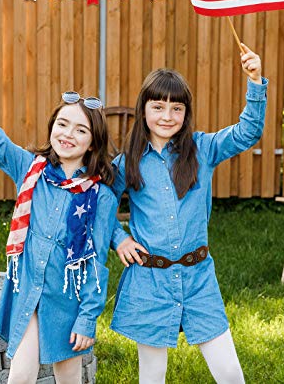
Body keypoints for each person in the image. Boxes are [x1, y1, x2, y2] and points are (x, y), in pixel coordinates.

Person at [110, 44, 267, 384]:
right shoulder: (128, 162)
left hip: (198, 279)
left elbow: (247, 133)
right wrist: (118, 239)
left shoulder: (204, 149)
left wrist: (254, 81)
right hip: (149, 280)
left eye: (176, 108)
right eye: (158, 106)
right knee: (152, 375)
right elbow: (99, 204)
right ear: (144, 110)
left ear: (186, 112)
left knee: (229, 372)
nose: (167, 116)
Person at [0, 75, 118, 384]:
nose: (68, 134)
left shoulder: (101, 198)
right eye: (62, 124)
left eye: (80, 130)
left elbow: (96, 265)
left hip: (68, 302)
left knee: (68, 377)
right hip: (28, 291)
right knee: (21, 375)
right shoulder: (30, 170)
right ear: (52, 127)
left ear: (93, 141)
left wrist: (86, 319)